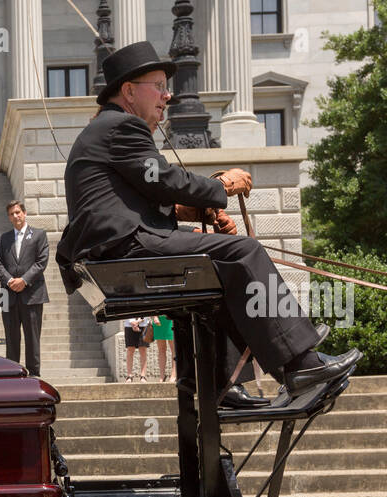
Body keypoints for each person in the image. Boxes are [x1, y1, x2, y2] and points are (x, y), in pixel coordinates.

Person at [55, 40, 359, 400]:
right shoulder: (122, 126)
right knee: (243, 252)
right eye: (160, 86)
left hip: (115, 247)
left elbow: (143, 194)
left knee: (213, 285)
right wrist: (222, 186)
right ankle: (300, 364)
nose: (167, 96)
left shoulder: (109, 128)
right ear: (129, 91)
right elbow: (163, 180)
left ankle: (219, 384)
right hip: (123, 247)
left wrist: (193, 211)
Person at [0, 199, 49, 377]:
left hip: (32, 293)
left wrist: (24, 280)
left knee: (32, 337)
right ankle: (12, 373)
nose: (15, 216)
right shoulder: (3, 238)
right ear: (9, 218)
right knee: (11, 338)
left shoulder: (39, 235)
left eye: (18, 212)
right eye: (11, 214)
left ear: (24, 213)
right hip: (7, 294)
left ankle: (33, 374)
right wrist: (11, 281)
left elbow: (41, 262)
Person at [123, 315, 153, 382]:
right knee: (130, 349)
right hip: (129, 325)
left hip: (144, 324)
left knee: (143, 350)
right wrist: (132, 322)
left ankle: (143, 376)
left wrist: (139, 321)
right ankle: (129, 375)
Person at [153, 313, 175, 382]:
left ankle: (174, 374)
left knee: (174, 349)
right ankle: (162, 375)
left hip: (171, 319)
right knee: (161, 349)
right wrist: (154, 316)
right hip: (159, 320)